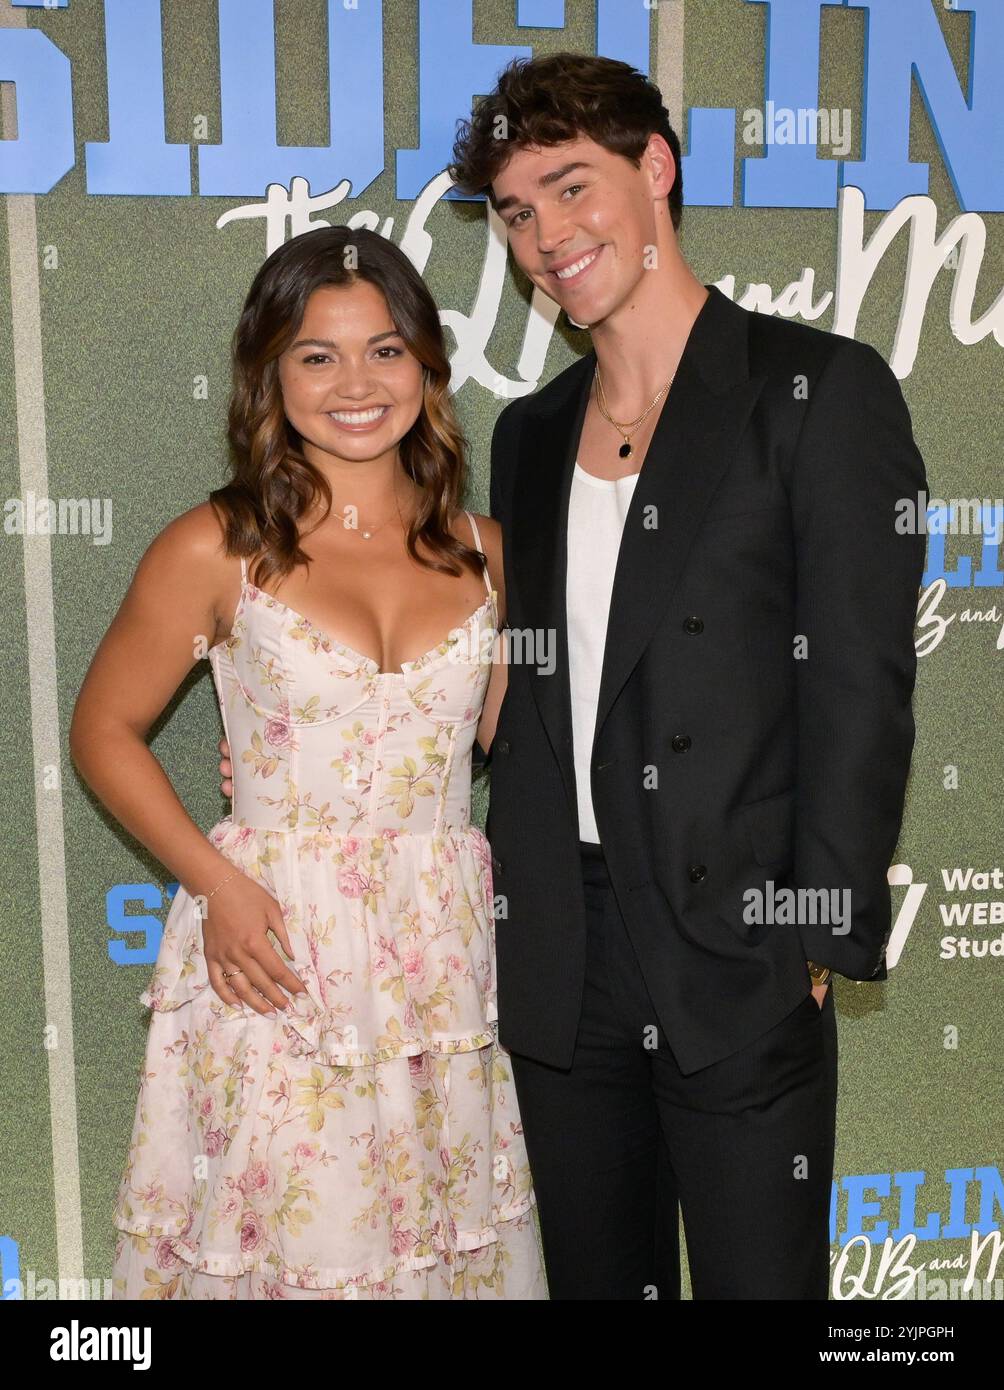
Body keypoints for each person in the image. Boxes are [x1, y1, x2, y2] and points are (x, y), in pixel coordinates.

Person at [445, 53, 926, 1298]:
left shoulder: (814, 392)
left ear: (654, 169)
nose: (546, 236)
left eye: (568, 187)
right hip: (562, 947)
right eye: (514, 212)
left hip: (736, 943)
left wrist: (817, 923)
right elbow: (534, 680)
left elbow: (860, 689)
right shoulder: (529, 433)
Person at [70, 224, 547, 1300]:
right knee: (289, 1241)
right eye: (315, 354)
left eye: (384, 349)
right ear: (268, 373)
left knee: (434, 1235)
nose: (354, 383)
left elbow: (519, 752)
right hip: (272, 946)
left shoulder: (489, 552)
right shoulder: (217, 546)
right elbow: (102, 727)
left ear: (427, 365)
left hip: (438, 954)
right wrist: (217, 881)